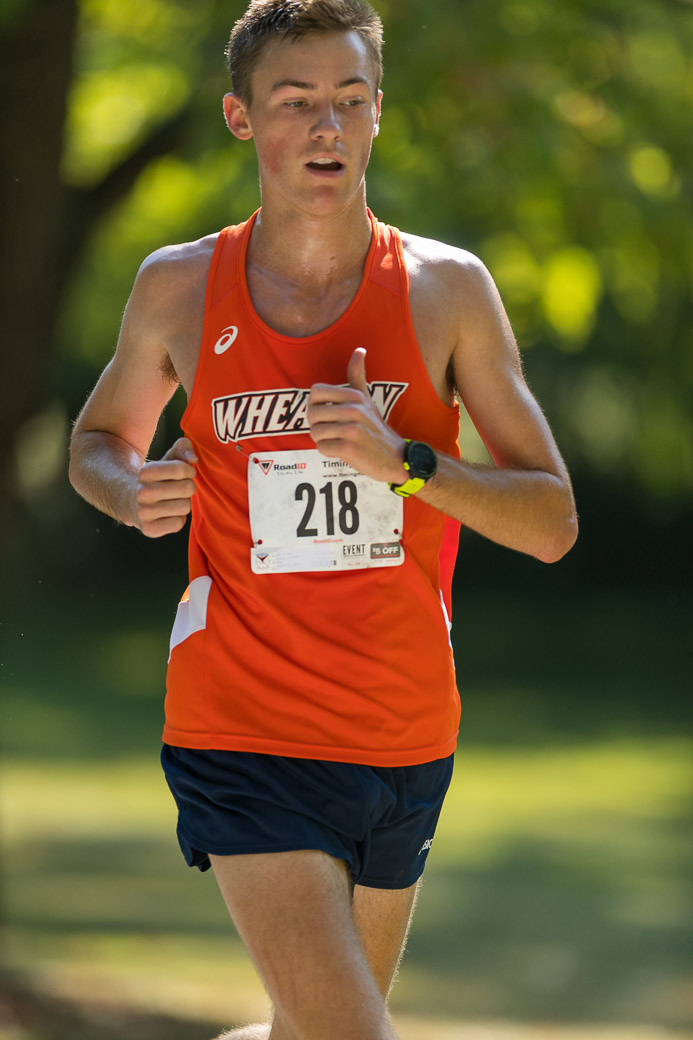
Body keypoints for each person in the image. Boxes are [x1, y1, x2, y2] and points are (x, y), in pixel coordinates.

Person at [69, 2, 578, 1038]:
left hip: (405, 733)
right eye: (296, 103)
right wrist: (133, 491)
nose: (327, 128)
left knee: (303, 1030)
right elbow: (96, 443)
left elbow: (553, 520)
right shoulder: (176, 288)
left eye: (350, 100)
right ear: (241, 118)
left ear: (380, 114)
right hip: (242, 726)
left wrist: (411, 465)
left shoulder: (447, 292)